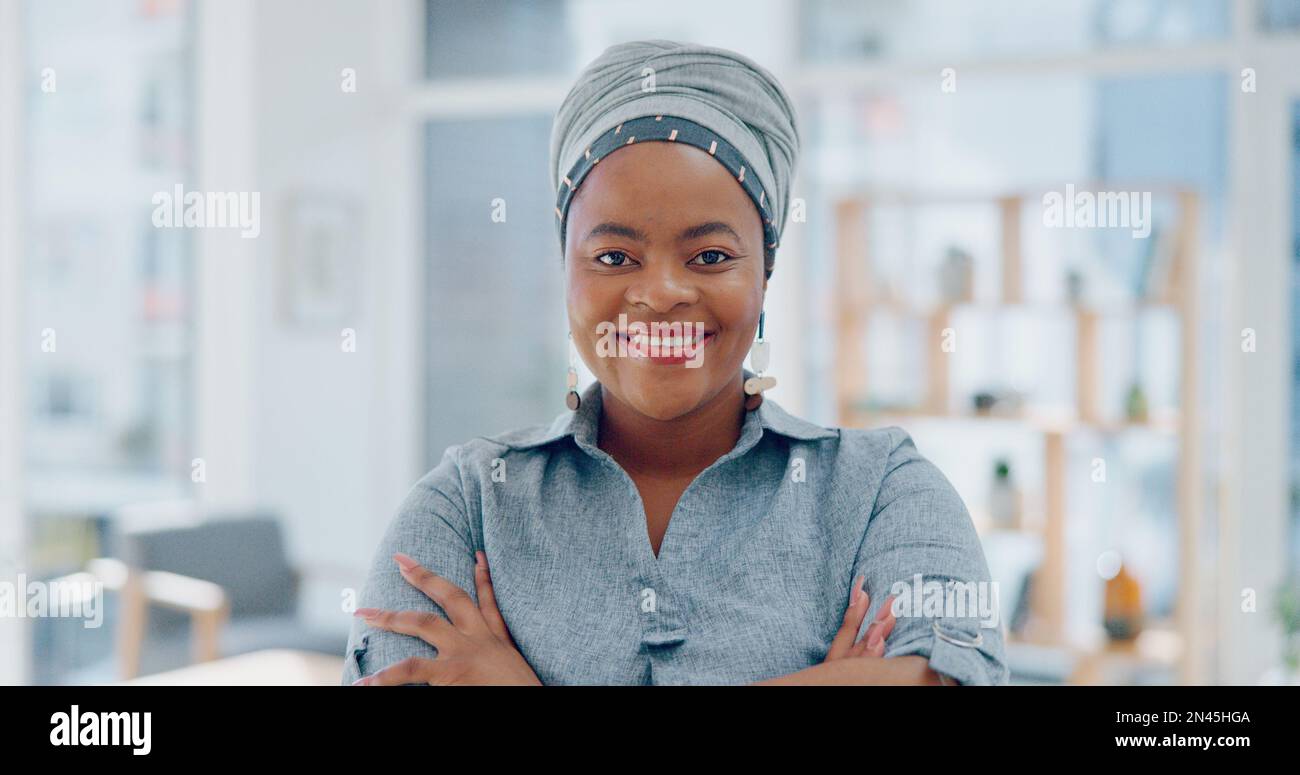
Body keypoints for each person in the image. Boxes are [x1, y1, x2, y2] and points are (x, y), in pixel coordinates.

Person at [343, 39, 1008, 685]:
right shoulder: (465, 505)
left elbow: (951, 675)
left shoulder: (883, 492)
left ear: (765, 272)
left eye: (710, 256)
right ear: (565, 272)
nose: (660, 293)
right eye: (614, 257)